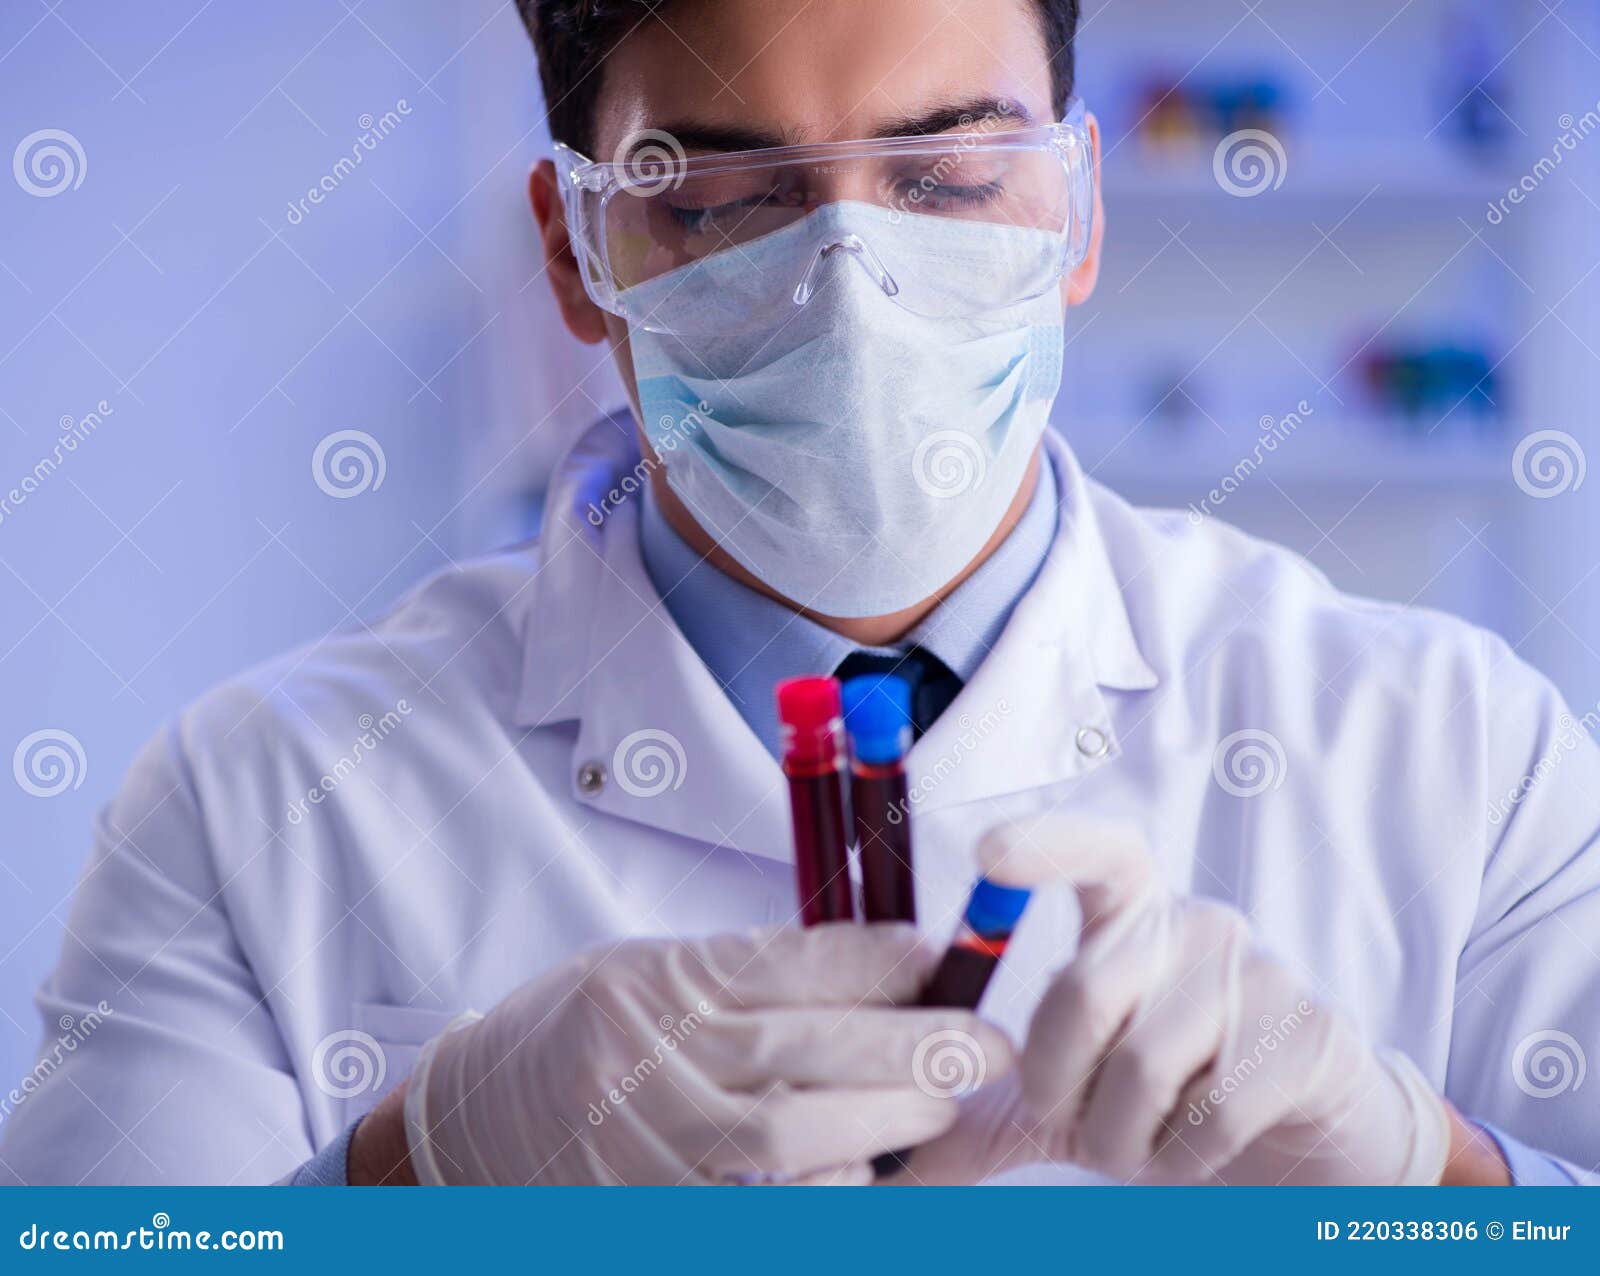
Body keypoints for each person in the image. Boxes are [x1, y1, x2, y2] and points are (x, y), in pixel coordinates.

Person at [3, 0, 1596, 1188]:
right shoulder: (261, 802)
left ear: (1080, 206)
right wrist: (414, 1171)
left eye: (952, 179)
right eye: (721, 201)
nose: (852, 286)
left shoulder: (1459, 753)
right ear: (577, 252)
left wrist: (1428, 1171)